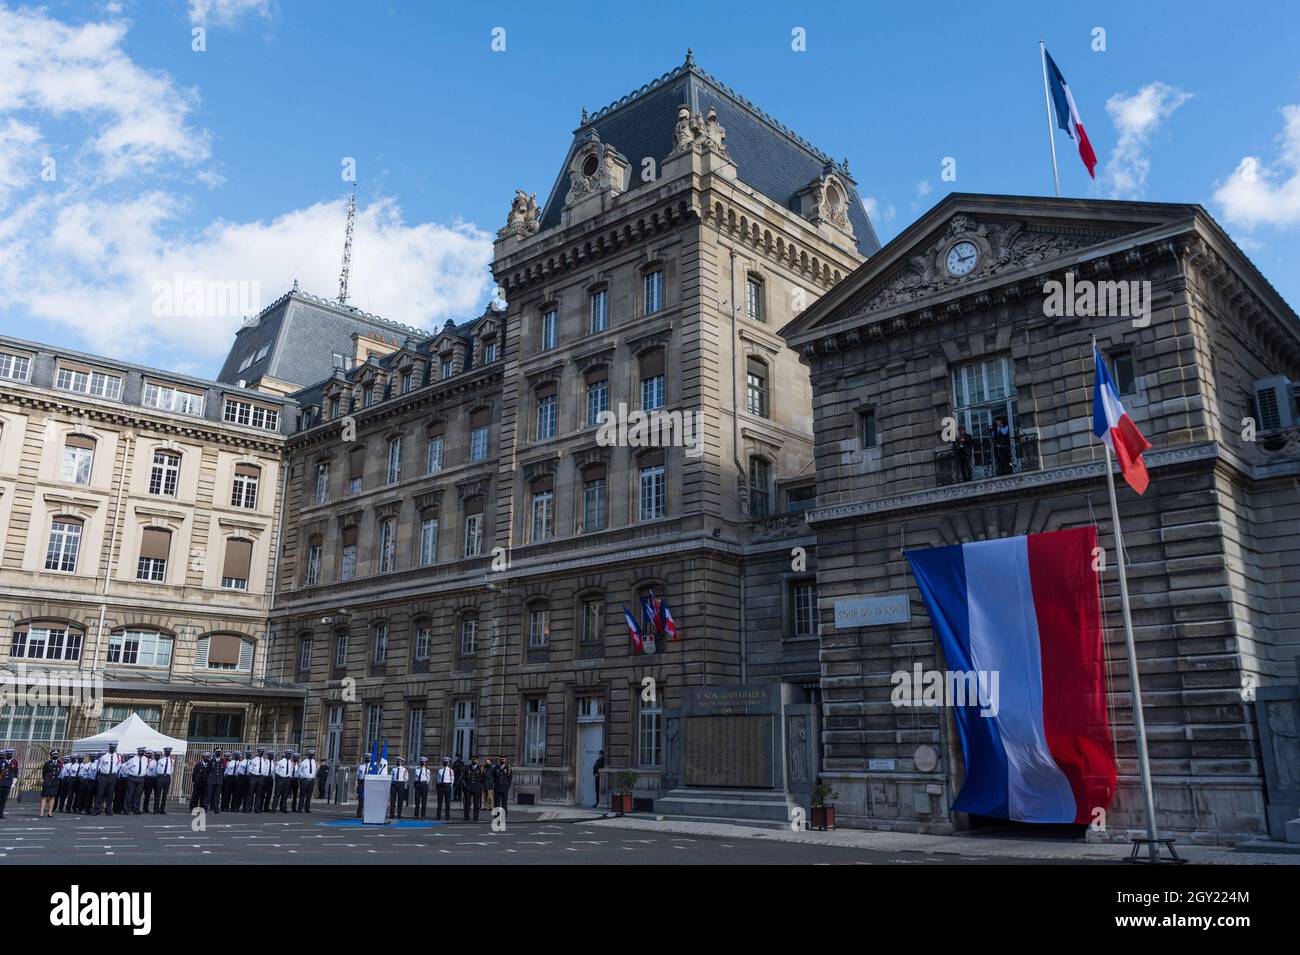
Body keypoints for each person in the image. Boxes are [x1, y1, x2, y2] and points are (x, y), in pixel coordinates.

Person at [92, 742, 121, 816]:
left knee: (110, 794)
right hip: (103, 776)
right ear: (109, 748)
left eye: (114, 748)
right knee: (100, 793)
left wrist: (114, 773)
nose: (113, 749)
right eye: (111, 747)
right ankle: (96, 809)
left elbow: (118, 766)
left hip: (112, 776)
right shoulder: (104, 756)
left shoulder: (118, 756)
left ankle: (108, 810)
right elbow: (99, 765)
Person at [123, 746, 151, 815]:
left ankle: (136, 808)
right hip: (132, 778)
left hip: (141, 778)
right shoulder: (132, 759)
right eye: (140, 752)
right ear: (138, 752)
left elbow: (147, 768)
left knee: (138, 794)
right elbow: (125, 769)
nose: (141, 753)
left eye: (143, 752)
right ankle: (127, 809)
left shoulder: (146, 759)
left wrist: (144, 774)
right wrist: (130, 774)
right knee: (130, 794)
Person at [245, 746, 270, 813]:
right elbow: (249, 770)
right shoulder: (253, 760)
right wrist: (251, 777)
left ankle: (256, 808)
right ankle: (248, 808)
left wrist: (263, 776)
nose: (261, 753)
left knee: (259, 794)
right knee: (250, 793)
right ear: (258, 752)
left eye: (262, 751)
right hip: (254, 777)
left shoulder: (264, 760)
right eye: (260, 751)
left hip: (261, 777)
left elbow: (265, 770)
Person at [151, 747, 175, 813]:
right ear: (164, 752)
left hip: (167, 777)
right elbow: (158, 770)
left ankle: (162, 809)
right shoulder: (160, 760)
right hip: (161, 777)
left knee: (165, 794)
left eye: (169, 752)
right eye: (167, 752)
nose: (168, 753)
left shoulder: (172, 761)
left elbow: (172, 769)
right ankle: (156, 809)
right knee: (158, 794)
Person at [40, 748, 62, 817]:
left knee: (52, 797)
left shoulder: (60, 763)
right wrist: (46, 780)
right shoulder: (47, 763)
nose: (55, 756)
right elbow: (44, 773)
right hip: (47, 782)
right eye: (54, 755)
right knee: (44, 797)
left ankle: (50, 812)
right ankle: (41, 812)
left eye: (56, 754)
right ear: (51, 755)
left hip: (55, 782)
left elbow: (60, 772)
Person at [461, 756, 483, 822]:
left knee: (476, 803)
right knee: (467, 803)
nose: (474, 761)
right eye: (473, 760)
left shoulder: (480, 768)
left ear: (477, 760)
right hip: (468, 788)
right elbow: (463, 777)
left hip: (476, 788)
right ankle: (466, 816)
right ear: (471, 760)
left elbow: (483, 778)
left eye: (475, 760)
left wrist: (480, 786)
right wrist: (465, 786)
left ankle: (476, 817)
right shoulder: (467, 767)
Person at [205, 749, 226, 813]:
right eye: (217, 752)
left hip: (219, 781)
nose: (219, 753)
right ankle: (205, 808)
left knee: (217, 796)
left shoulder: (223, 761)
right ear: (215, 753)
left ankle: (216, 809)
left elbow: (223, 770)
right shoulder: (211, 761)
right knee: (208, 795)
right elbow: (208, 770)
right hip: (211, 780)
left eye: (220, 752)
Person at [0, 748, 18, 818]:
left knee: (4, 799)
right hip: (1, 783)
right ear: (5, 754)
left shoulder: (14, 762)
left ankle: (1, 814)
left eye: (11, 754)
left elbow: (15, 773)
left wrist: (13, 783)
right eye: (8, 754)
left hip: (8, 783)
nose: (9, 755)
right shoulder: (1, 761)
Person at [435, 757, 454, 821]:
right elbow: (438, 778)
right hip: (440, 786)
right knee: (439, 802)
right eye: (444, 762)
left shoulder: (450, 770)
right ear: (443, 763)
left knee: (447, 802)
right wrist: (438, 785)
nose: (445, 763)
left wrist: (450, 785)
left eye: (446, 762)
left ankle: (447, 816)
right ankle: (438, 816)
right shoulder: (440, 770)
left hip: (447, 785)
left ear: (448, 763)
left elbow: (452, 779)